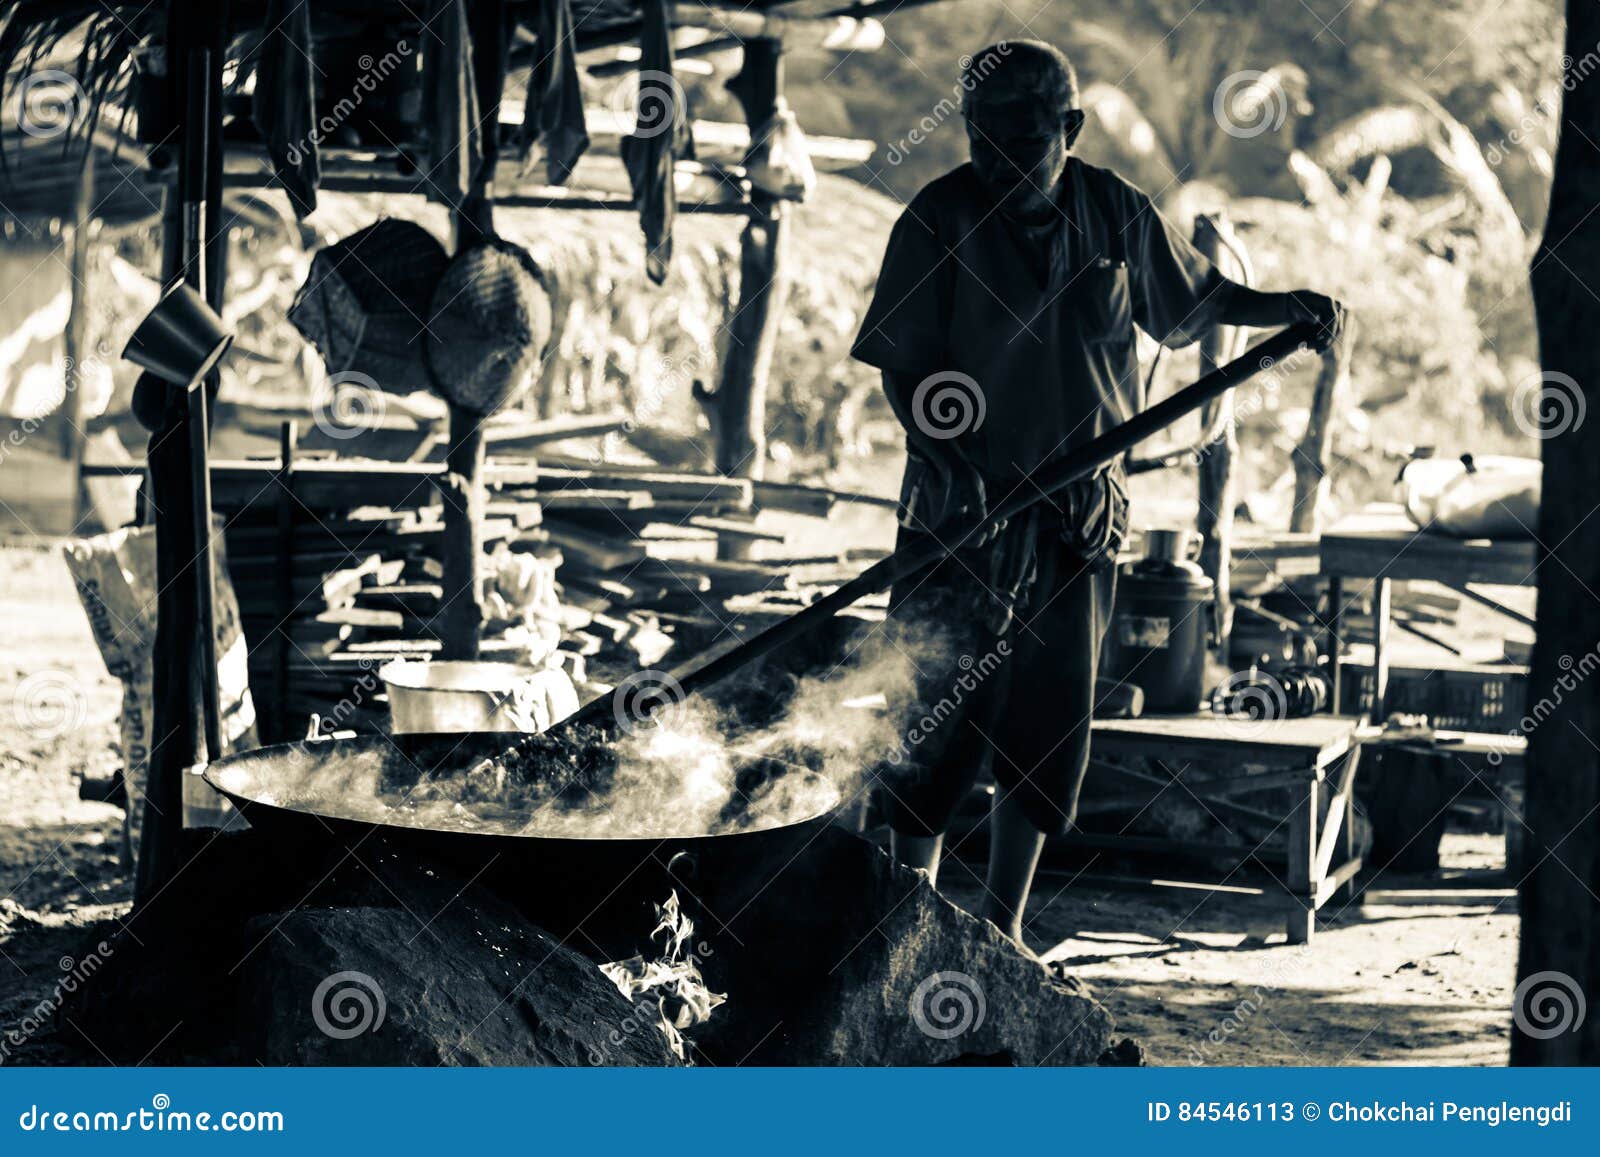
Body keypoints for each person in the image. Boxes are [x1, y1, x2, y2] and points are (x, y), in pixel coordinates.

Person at [851, 40, 1346, 949]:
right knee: (929, 716)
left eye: (1024, 138)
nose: (999, 156)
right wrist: (957, 462)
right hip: (960, 519)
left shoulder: (1115, 212)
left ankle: (1003, 932)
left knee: (1043, 724)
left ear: (1070, 130)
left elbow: (1191, 306)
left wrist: (1285, 307)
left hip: (1078, 518)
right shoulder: (937, 218)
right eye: (983, 135)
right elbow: (902, 367)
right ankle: (900, 917)